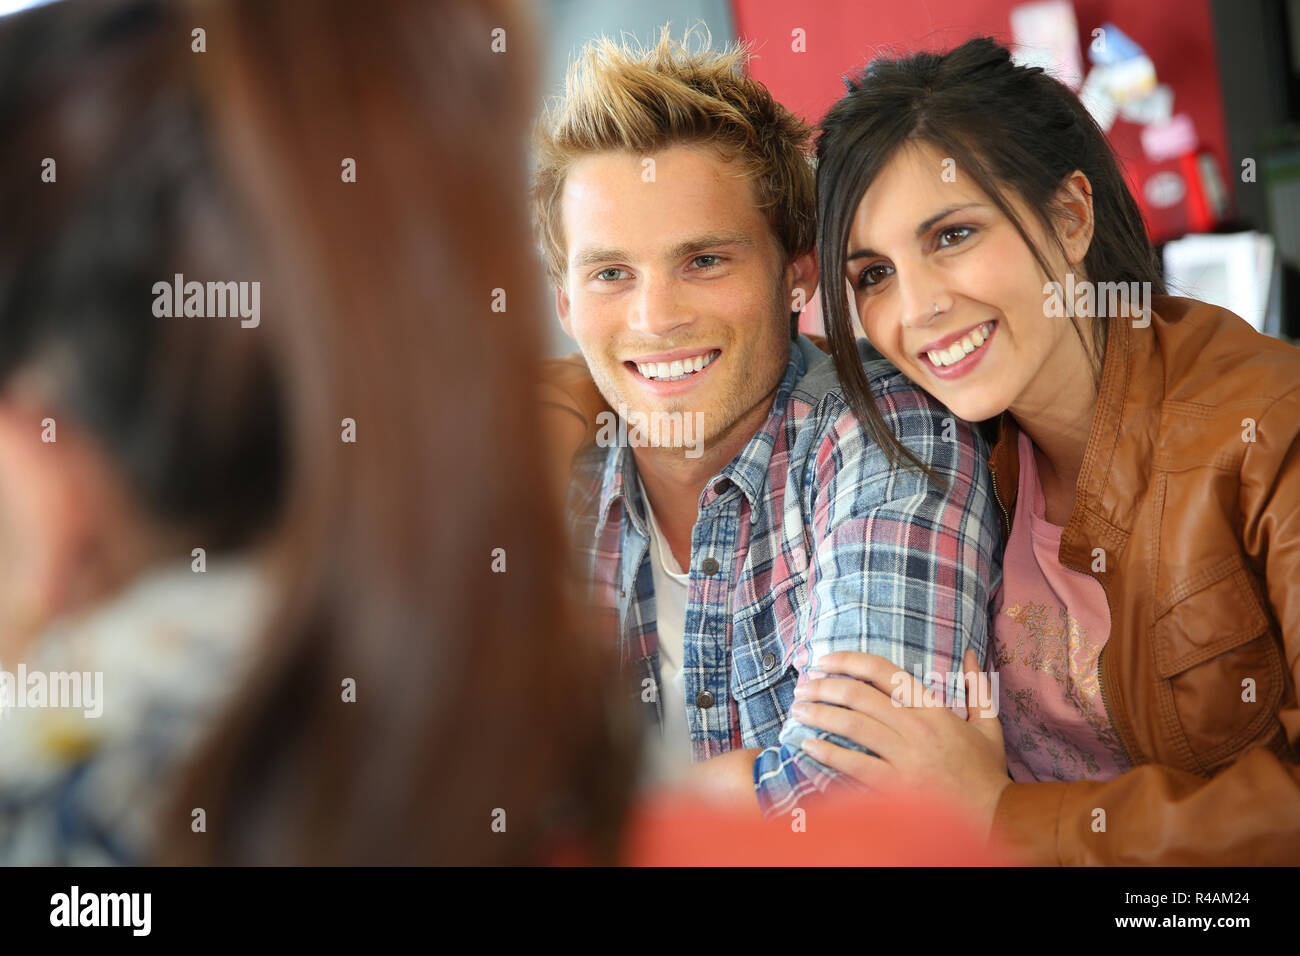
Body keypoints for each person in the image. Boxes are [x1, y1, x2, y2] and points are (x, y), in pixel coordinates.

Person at [792, 36, 1300, 865]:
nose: (917, 308)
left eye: (952, 235)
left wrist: (1005, 819)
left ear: (1069, 218)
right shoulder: (946, 450)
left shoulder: (1271, 428)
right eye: (874, 274)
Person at [532, 29, 1002, 817]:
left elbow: (865, 799)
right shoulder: (554, 483)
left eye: (704, 261)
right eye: (612, 274)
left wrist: (612, 820)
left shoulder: (887, 431)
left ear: (796, 272)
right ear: (566, 304)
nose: (657, 319)